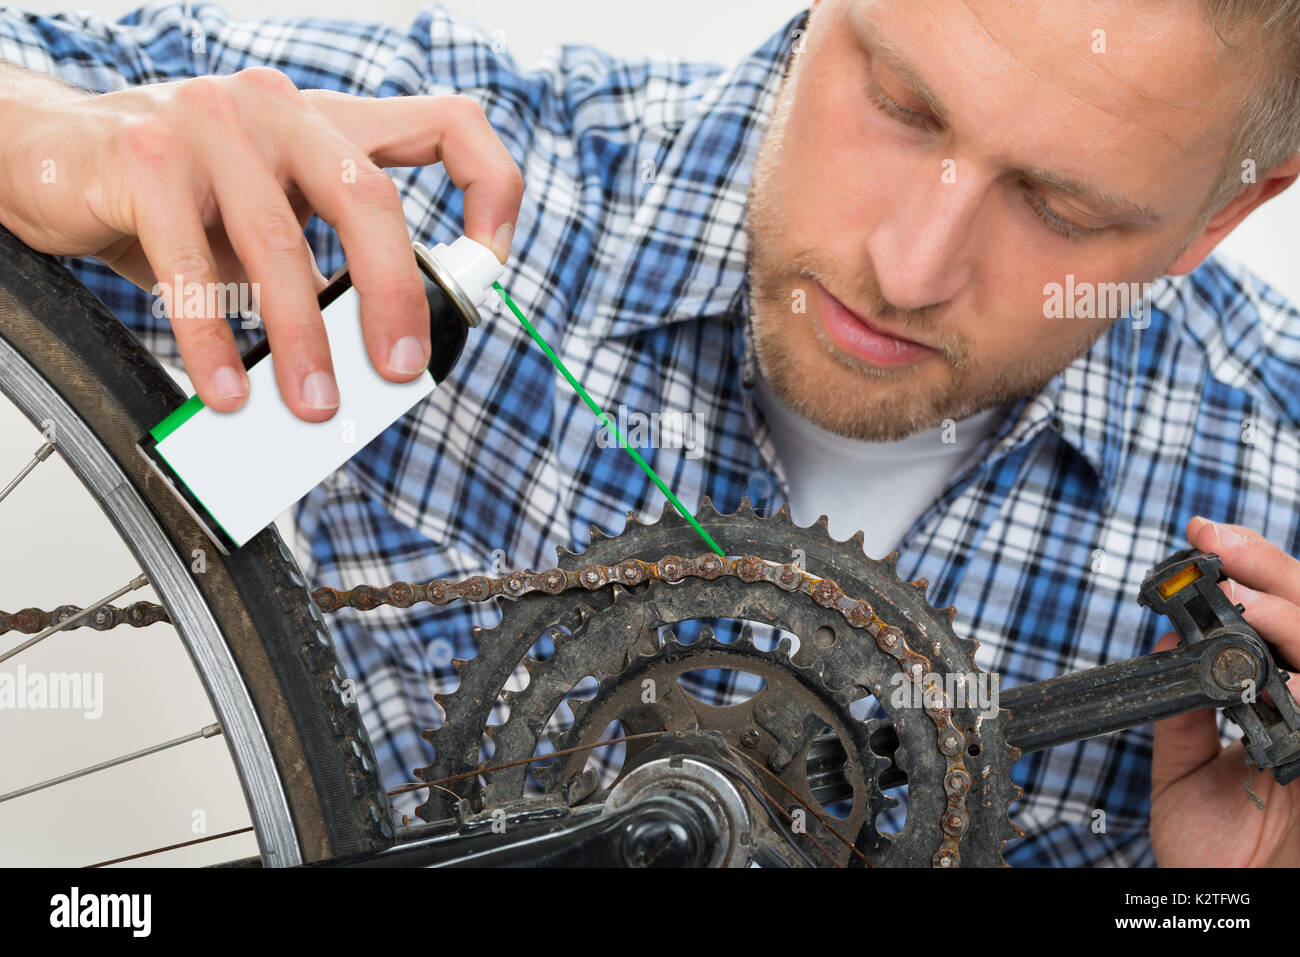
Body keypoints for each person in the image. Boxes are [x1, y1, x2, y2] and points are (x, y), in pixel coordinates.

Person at [0, 0, 1297, 866]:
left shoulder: (1274, 473)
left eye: (1062, 209)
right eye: (901, 104)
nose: (908, 266)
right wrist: (41, 144)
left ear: (1225, 215)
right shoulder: (458, 175)